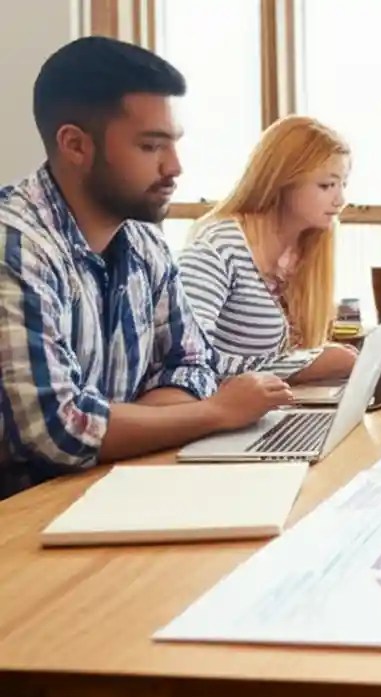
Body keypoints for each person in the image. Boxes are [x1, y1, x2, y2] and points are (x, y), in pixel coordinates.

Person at [0, 37, 292, 499]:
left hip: (110, 490)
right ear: (75, 145)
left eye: (173, 144)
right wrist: (216, 413)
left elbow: (191, 364)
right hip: (21, 526)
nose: (175, 166)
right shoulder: (13, 248)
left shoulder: (143, 240)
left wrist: (123, 424)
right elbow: (59, 431)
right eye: (150, 145)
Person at [179, 115, 358, 381]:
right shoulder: (218, 246)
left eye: (343, 184)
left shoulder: (306, 248)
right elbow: (185, 359)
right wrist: (304, 366)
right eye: (327, 185)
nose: (341, 200)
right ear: (282, 181)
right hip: (217, 418)